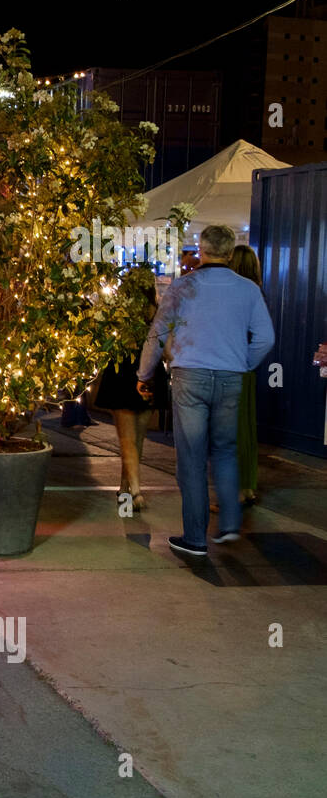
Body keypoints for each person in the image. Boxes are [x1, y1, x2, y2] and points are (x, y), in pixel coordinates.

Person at [136, 225, 275, 558]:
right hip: (230, 378)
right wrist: (242, 362)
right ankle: (228, 524)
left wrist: (144, 373)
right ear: (230, 252)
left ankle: (195, 538)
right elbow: (266, 338)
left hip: (190, 377)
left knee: (192, 458)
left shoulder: (182, 287)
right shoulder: (249, 290)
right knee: (225, 450)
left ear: (201, 250)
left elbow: (157, 333)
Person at [95, 269, 168, 510]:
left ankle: (134, 492)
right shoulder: (156, 314)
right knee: (138, 438)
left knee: (127, 440)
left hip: (122, 373)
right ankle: (125, 488)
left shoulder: (118, 314)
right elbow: (165, 348)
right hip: (149, 375)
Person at [230, 245, 264, 505]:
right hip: (248, 370)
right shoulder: (257, 294)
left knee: (232, 432)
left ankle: (238, 491)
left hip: (232, 367)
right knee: (248, 431)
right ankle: (248, 486)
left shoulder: (236, 294)